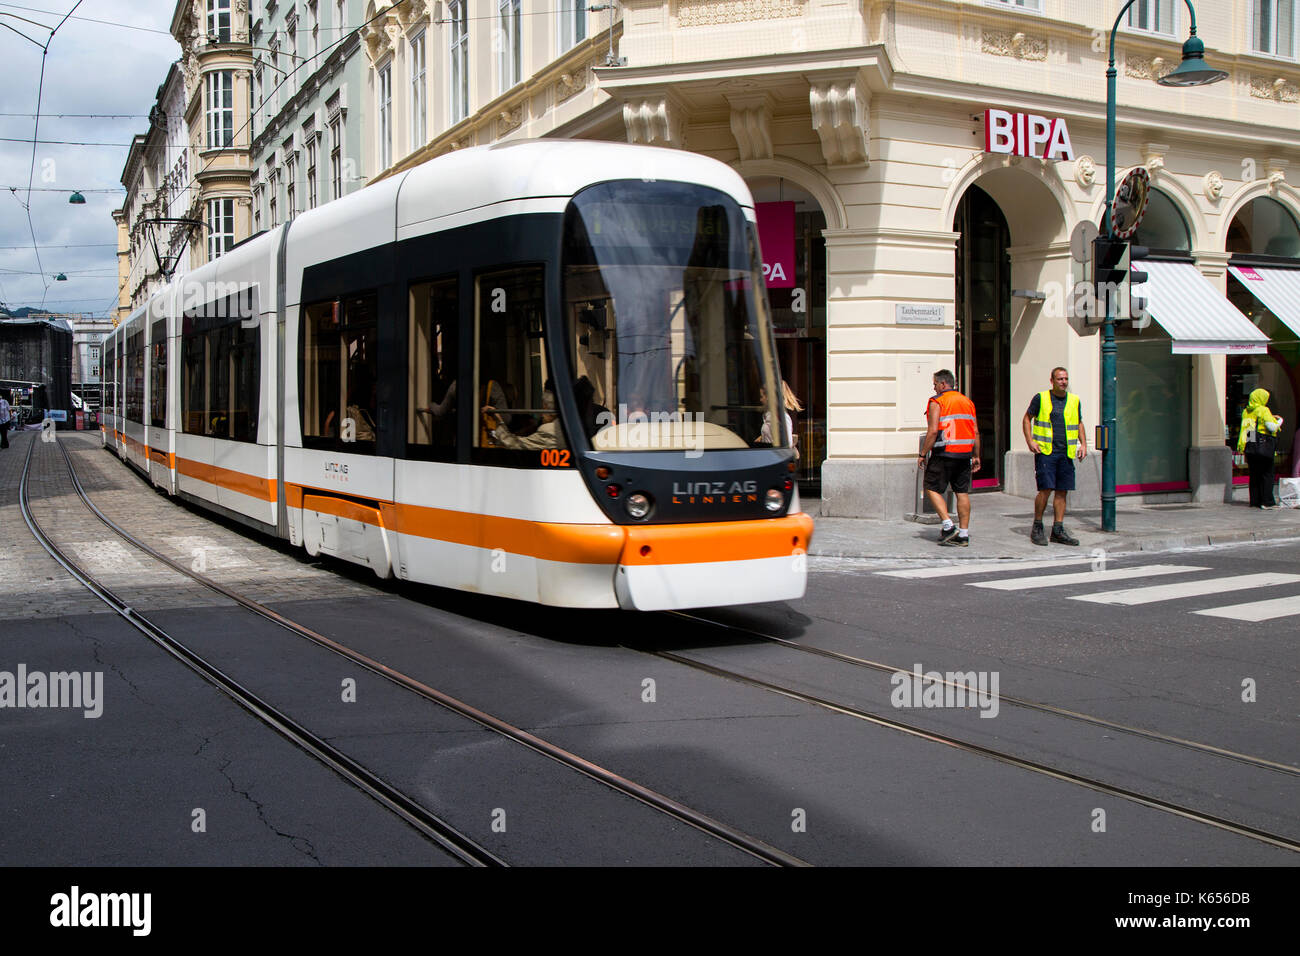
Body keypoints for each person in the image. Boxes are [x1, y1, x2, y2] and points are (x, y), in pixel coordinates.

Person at [1022, 367, 1088, 546]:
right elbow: (1027, 419)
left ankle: (1058, 529)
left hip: (1066, 452)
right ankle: (1037, 526)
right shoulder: (1041, 398)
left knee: (1062, 491)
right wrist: (1030, 441)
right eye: (1060, 379)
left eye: (1066, 379)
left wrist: (1084, 444)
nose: (1064, 382)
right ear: (1052, 381)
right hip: (1046, 452)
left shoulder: (1074, 400)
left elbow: (1078, 422)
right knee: (1045, 489)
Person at [918, 369, 980, 546]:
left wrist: (923, 453)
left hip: (944, 452)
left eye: (935, 384)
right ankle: (964, 534)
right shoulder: (967, 402)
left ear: (943, 384)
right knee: (962, 492)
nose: (934, 387)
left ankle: (948, 525)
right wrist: (976, 455)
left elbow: (933, 430)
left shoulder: (937, 401)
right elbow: (975, 431)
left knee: (930, 486)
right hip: (964, 454)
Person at [1237, 387, 1283, 509]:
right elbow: (1272, 427)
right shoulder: (1263, 410)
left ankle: (1255, 501)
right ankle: (1267, 502)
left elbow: (1249, 430)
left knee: (1255, 474)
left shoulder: (1247, 411)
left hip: (1251, 444)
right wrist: (1279, 420)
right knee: (1267, 474)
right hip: (1264, 446)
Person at [483, 386, 564, 450]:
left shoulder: (550, 430)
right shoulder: (563, 426)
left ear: (547, 408)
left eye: (542, 408)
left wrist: (498, 420)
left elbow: (515, 445)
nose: (541, 414)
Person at [758, 380, 803, 451]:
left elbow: (787, 444)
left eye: (762, 396)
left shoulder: (782, 417)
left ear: (769, 397)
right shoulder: (768, 416)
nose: (760, 400)